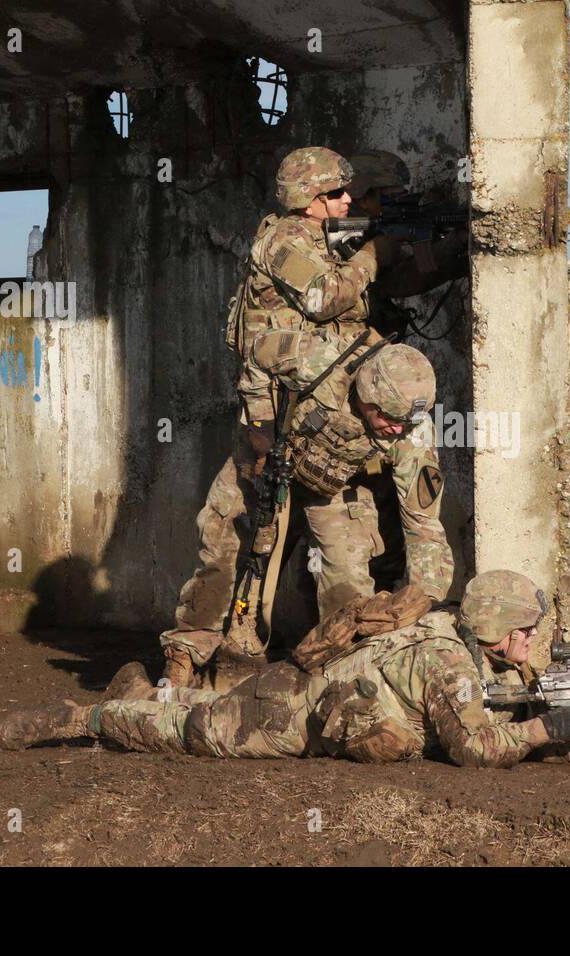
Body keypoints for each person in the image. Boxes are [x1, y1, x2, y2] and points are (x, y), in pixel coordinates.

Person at [159, 147, 397, 689]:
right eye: (336, 194)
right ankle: (196, 656)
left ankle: (344, 666)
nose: (347, 201)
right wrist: (375, 254)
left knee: (342, 544)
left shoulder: (322, 238)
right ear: (310, 199)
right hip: (275, 420)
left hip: (326, 422)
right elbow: (322, 297)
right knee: (235, 538)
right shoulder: (287, 239)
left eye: (350, 194)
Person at [0, 571, 570, 768]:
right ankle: (87, 717)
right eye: (530, 629)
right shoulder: (451, 665)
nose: (535, 639)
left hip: (301, 686)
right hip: (289, 713)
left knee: (206, 711)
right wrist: (545, 730)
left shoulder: (449, 629)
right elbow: (476, 750)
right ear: (503, 632)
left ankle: (147, 693)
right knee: (192, 735)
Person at [158, 331, 453, 687]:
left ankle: (341, 674)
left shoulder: (411, 432)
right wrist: (261, 428)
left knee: (348, 570)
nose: (397, 428)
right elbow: (259, 353)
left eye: (405, 422)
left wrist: (425, 596)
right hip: (265, 460)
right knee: (224, 551)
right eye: (389, 417)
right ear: (367, 394)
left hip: (332, 484)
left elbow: (423, 524)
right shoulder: (323, 359)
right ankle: (185, 657)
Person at [344, 149, 469, 338]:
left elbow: (409, 276)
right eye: (391, 198)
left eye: (402, 193)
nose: (401, 201)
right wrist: (372, 252)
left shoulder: (377, 227)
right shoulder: (344, 238)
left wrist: (456, 255)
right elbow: (395, 284)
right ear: (364, 198)